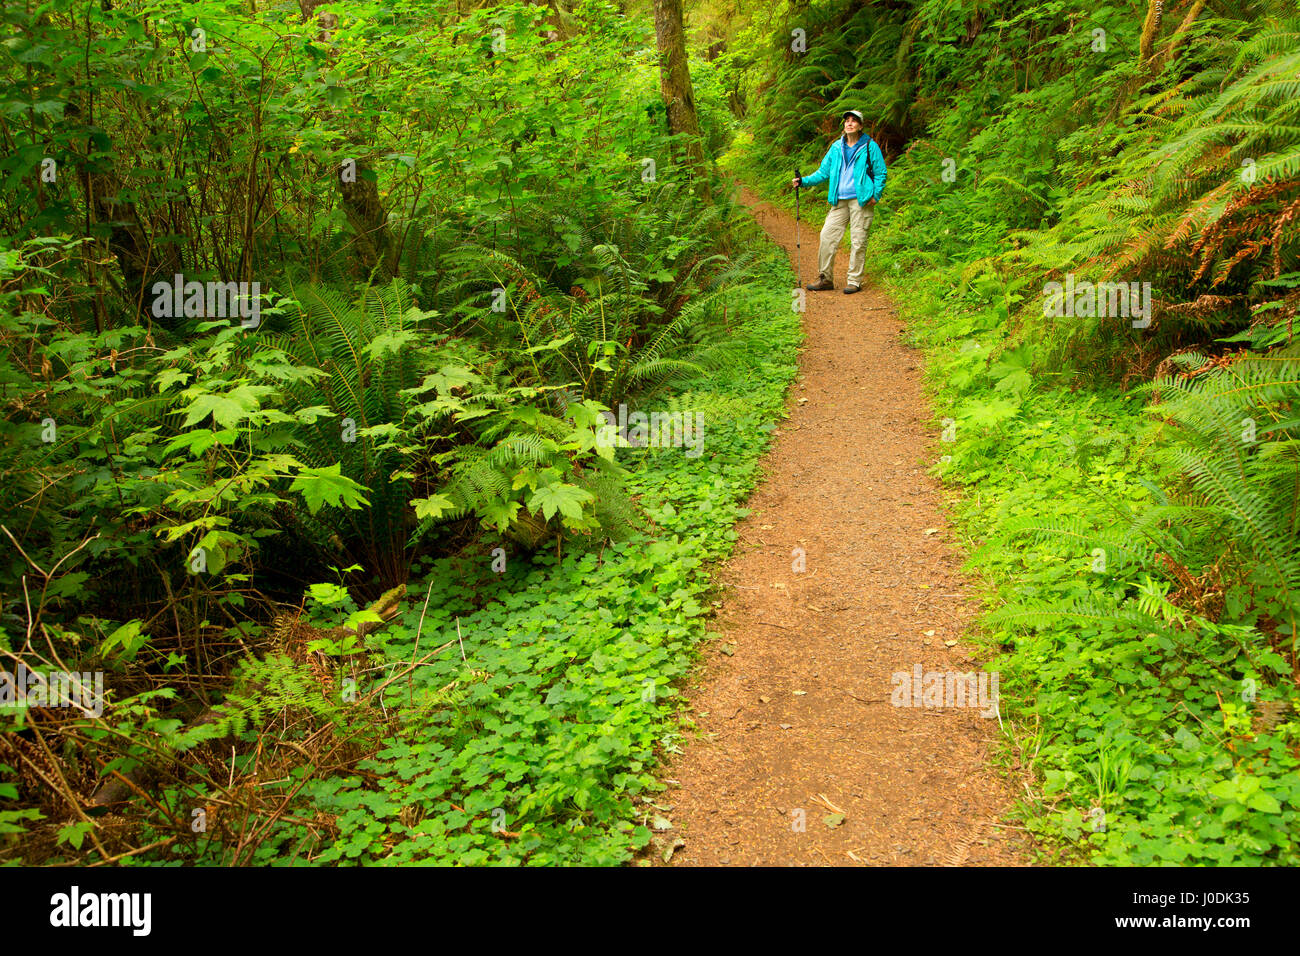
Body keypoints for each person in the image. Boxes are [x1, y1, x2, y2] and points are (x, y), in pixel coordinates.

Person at [791, 110, 887, 295]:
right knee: (827, 236)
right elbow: (823, 172)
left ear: (860, 126)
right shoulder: (836, 148)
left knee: (858, 241)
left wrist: (876, 194)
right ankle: (825, 278)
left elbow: (880, 172)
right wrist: (803, 181)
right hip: (839, 200)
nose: (849, 123)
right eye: (847, 121)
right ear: (844, 125)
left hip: (862, 200)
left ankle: (854, 281)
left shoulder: (869, 146)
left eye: (854, 121)